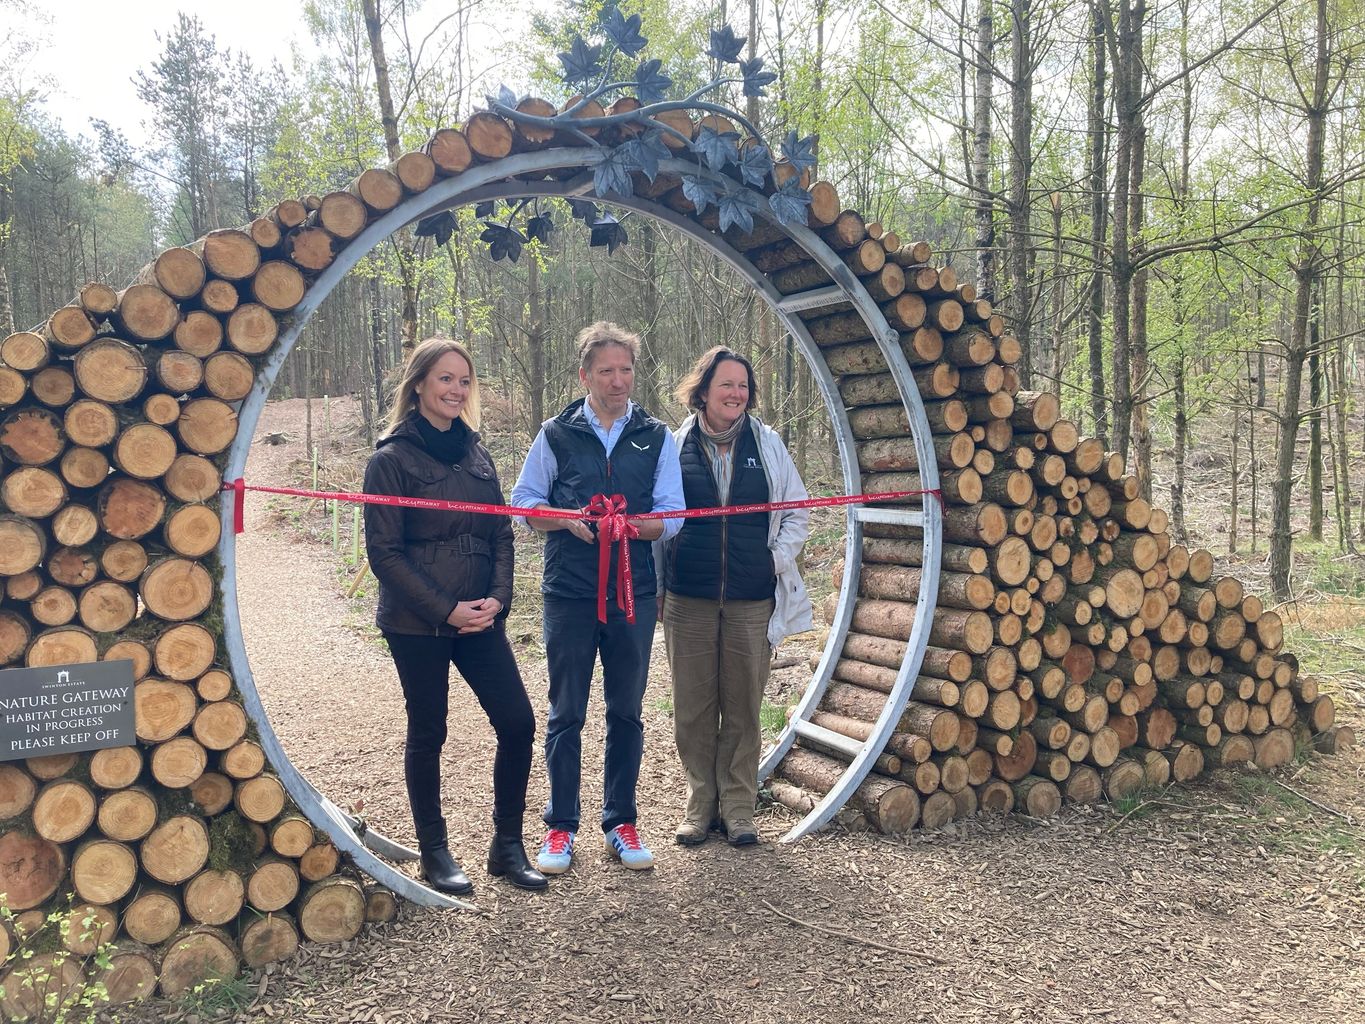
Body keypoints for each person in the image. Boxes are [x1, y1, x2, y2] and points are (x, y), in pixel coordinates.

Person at [363, 337, 546, 895]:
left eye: (464, 381)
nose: (456, 390)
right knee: (429, 732)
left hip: (481, 619)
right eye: (445, 379)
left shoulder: (478, 455)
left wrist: (497, 600)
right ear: (419, 384)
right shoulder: (389, 461)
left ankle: (506, 846)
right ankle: (435, 852)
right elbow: (384, 554)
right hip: (417, 623)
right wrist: (447, 610)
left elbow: (499, 535)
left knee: (517, 723)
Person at [510, 321, 684, 873]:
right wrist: (566, 520)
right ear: (584, 374)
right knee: (566, 713)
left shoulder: (655, 435)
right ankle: (560, 827)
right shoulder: (555, 434)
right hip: (570, 592)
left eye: (626, 369)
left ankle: (621, 822)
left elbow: (674, 515)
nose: (618, 380)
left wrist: (633, 527)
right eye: (606, 370)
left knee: (627, 711)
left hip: (635, 594)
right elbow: (523, 504)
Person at [655, 346, 813, 847]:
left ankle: (740, 806)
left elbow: (798, 512)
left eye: (743, 386)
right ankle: (701, 803)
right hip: (688, 599)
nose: (736, 394)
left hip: (751, 599)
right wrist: (659, 591)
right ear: (703, 391)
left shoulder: (767, 444)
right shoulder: (671, 445)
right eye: (726, 385)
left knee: (743, 705)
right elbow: (658, 522)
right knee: (693, 706)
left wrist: (773, 561)